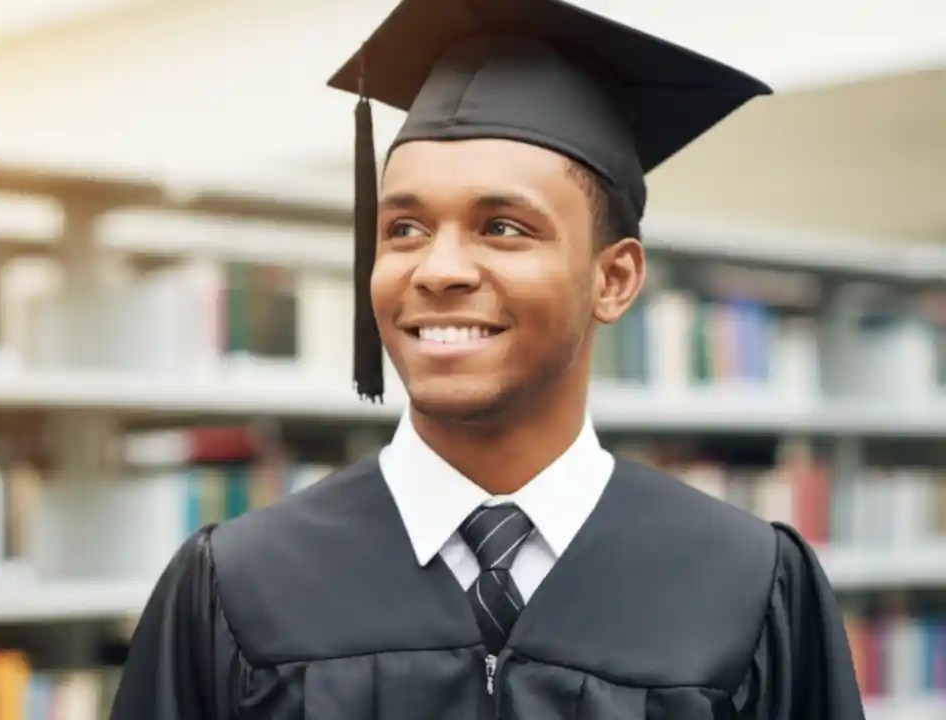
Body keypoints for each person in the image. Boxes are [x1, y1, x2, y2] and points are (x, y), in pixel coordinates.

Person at [109, 0, 866, 717]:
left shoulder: (745, 585)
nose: (437, 269)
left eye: (501, 227)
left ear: (615, 279)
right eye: (403, 227)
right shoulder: (238, 586)